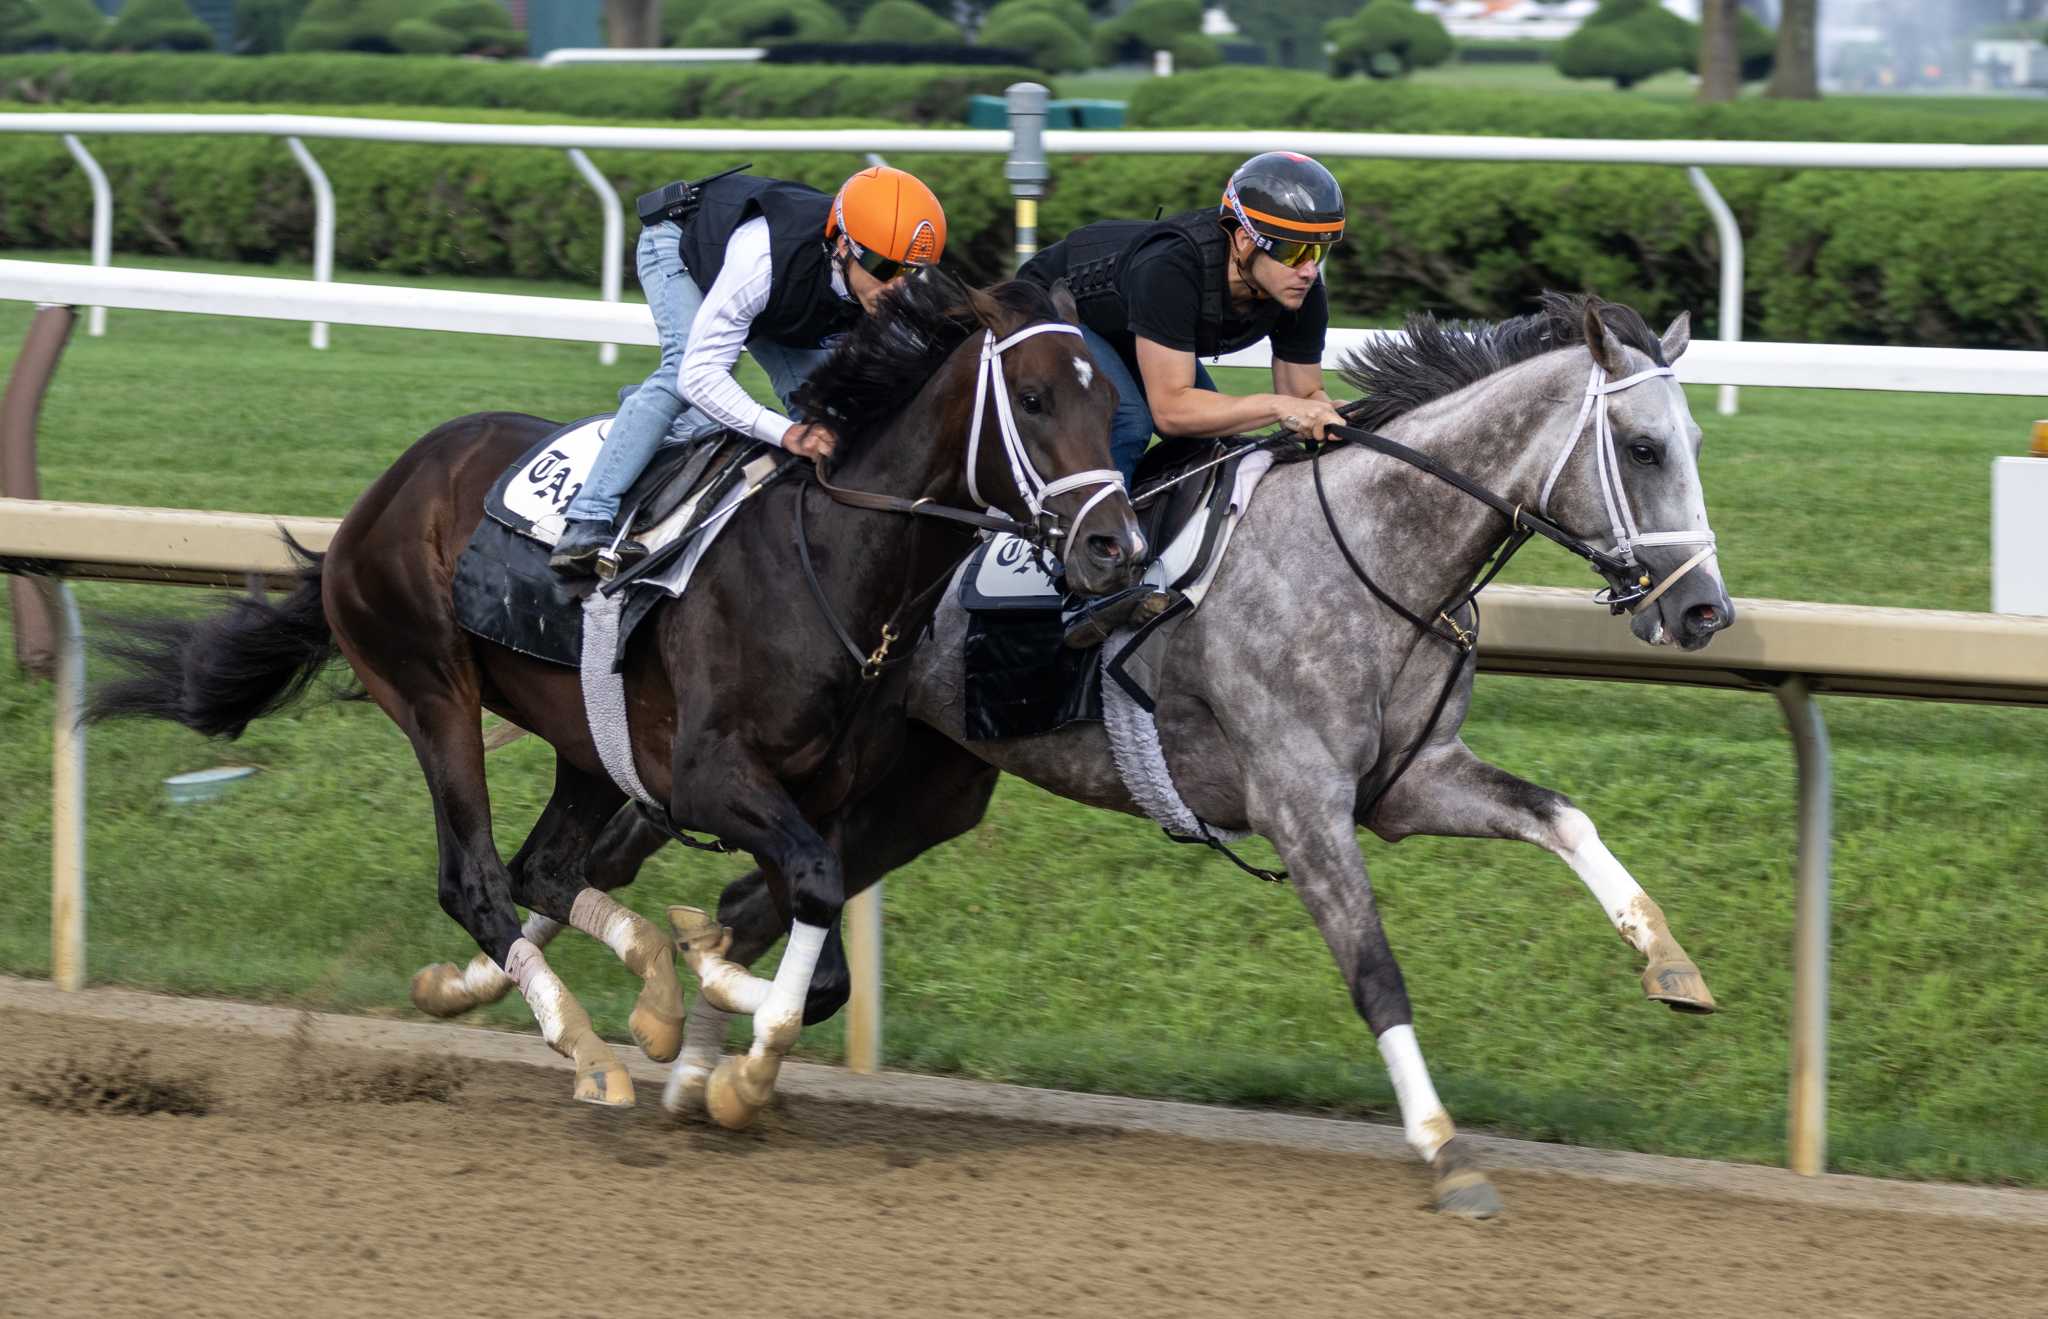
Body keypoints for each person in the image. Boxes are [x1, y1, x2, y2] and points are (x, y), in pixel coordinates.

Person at [1018, 151, 1349, 645]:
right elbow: (1171, 412)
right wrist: (1282, 409)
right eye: (1294, 252)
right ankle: (1080, 582)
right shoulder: (1172, 266)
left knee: (1219, 444)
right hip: (1051, 305)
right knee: (1128, 420)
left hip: (1130, 323)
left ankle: (1164, 558)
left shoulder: (1301, 291)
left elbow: (1305, 395)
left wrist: (1354, 420)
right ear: (1242, 238)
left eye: (1318, 253)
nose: (1307, 270)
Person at [550, 164, 947, 575]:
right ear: (843, 245)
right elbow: (699, 374)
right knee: (679, 378)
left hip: (780, 297)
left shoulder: (881, 275)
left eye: (911, 271)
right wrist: (787, 434)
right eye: (885, 268)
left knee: (828, 413)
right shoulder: (761, 257)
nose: (899, 288)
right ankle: (586, 521)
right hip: (681, 243)